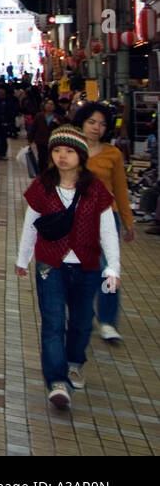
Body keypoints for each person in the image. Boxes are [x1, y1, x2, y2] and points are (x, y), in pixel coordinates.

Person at [14, 127, 121, 410]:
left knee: (82, 322)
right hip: (50, 264)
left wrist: (113, 268)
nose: (62, 157)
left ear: (81, 156)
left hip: (87, 266)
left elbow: (108, 230)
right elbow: (30, 224)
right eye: (57, 151)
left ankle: (74, 362)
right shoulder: (43, 186)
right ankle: (57, 381)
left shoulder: (96, 189)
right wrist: (22, 260)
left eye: (69, 151)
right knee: (52, 323)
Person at [73, 102, 135, 343]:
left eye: (102, 124)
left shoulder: (113, 154)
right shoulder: (69, 149)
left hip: (107, 217)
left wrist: (128, 221)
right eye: (92, 122)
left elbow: (120, 188)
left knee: (108, 269)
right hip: (76, 217)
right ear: (82, 122)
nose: (97, 128)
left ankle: (107, 321)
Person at [29, 99, 65, 172]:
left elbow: (62, 129)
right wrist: (30, 140)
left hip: (53, 142)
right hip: (41, 141)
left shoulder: (57, 117)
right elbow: (33, 128)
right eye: (48, 104)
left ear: (54, 107)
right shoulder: (39, 116)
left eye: (52, 104)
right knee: (41, 158)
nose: (49, 106)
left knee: (51, 158)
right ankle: (41, 174)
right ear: (44, 105)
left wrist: (58, 123)